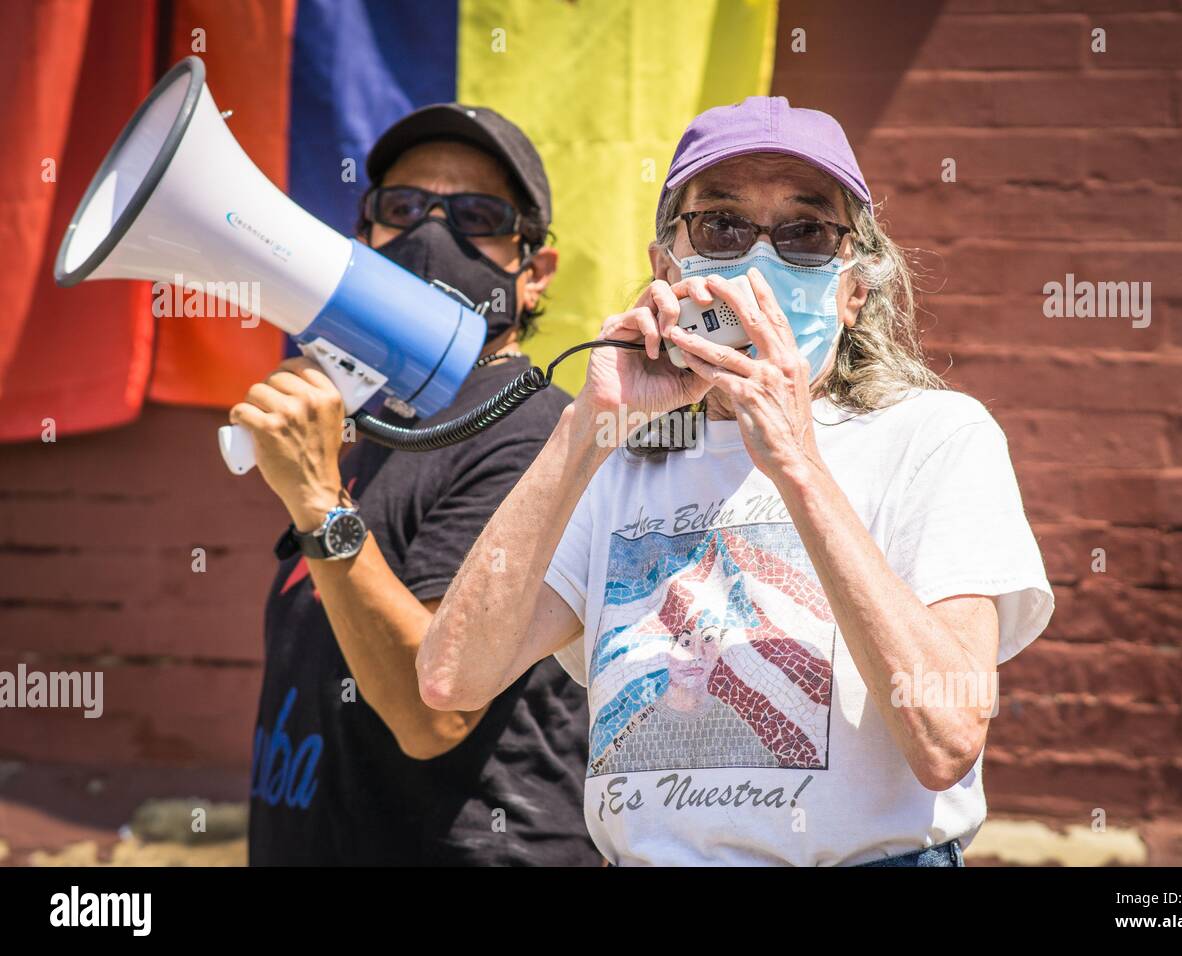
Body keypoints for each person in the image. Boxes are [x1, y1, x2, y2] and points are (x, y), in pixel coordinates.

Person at [414, 96, 1055, 866]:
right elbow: (452, 677)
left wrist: (796, 462)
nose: (761, 260)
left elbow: (947, 739)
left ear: (854, 290)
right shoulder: (618, 459)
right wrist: (590, 420)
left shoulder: (933, 436)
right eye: (722, 226)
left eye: (806, 232)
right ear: (667, 268)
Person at [229, 104, 600, 865]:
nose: (432, 234)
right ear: (364, 239)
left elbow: (434, 713)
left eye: (476, 215)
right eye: (402, 208)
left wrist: (317, 503)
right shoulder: (369, 428)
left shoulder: (536, 433)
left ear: (533, 275)